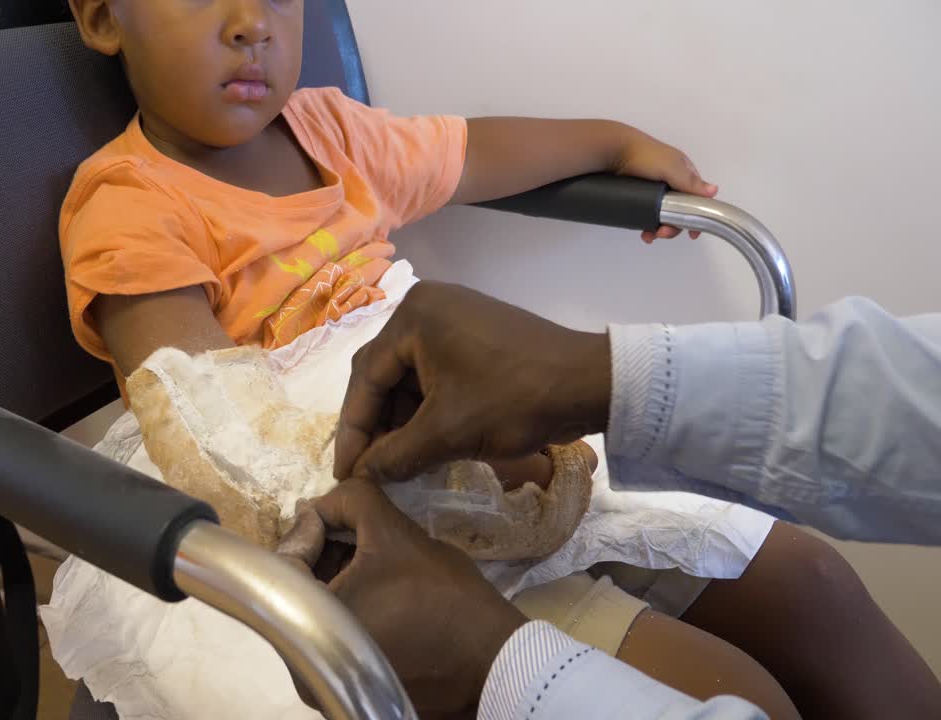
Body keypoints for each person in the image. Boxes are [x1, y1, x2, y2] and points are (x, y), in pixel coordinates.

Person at [57, 1, 926, 716]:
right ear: (102, 16)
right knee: (744, 698)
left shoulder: (330, 131)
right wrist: (463, 474)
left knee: (814, 585)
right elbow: (219, 440)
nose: (252, 21)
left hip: (470, 415)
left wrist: (614, 140)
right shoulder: (131, 206)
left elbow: (472, 150)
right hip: (345, 503)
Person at [308, 281, 941, 717]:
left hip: (462, 442)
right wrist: (608, 377)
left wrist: (494, 670)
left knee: (813, 582)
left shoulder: (340, 144)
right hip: (387, 493)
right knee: (739, 687)